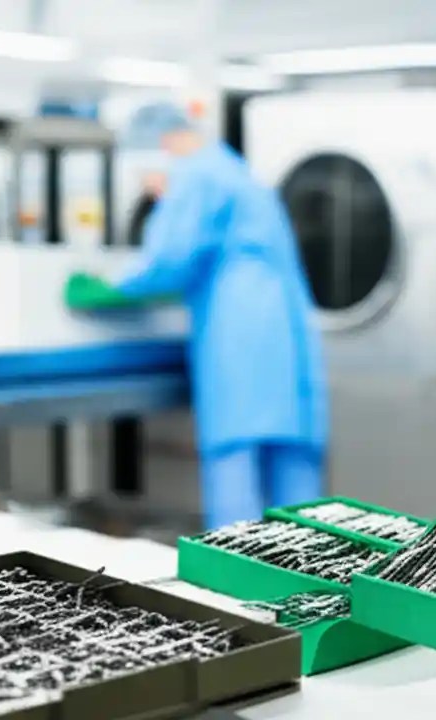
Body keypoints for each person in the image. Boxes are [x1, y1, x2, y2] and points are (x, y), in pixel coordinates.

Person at [114, 102, 328, 530]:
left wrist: (114, 285)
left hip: (239, 325)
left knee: (234, 448)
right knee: (292, 459)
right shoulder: (236, 172)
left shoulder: (196, 176)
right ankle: (308, 569)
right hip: (285, 326)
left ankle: (235, 570)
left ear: (161, 146)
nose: (153, 189)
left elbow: (168, 258)